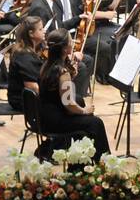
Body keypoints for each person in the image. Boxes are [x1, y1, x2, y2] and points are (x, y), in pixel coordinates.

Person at [37, 30, 110, 158]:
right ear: (65, 49)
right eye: (71, 42)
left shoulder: (46, 66)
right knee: (95, 123)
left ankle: (81, 158)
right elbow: (68, 104)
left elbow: (57, 92)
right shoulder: (62, 72)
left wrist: (71, 76)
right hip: (54, 122)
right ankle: (103, 160)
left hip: (43, 116)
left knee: (80, 99)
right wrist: (84, 111)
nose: (73, 43)